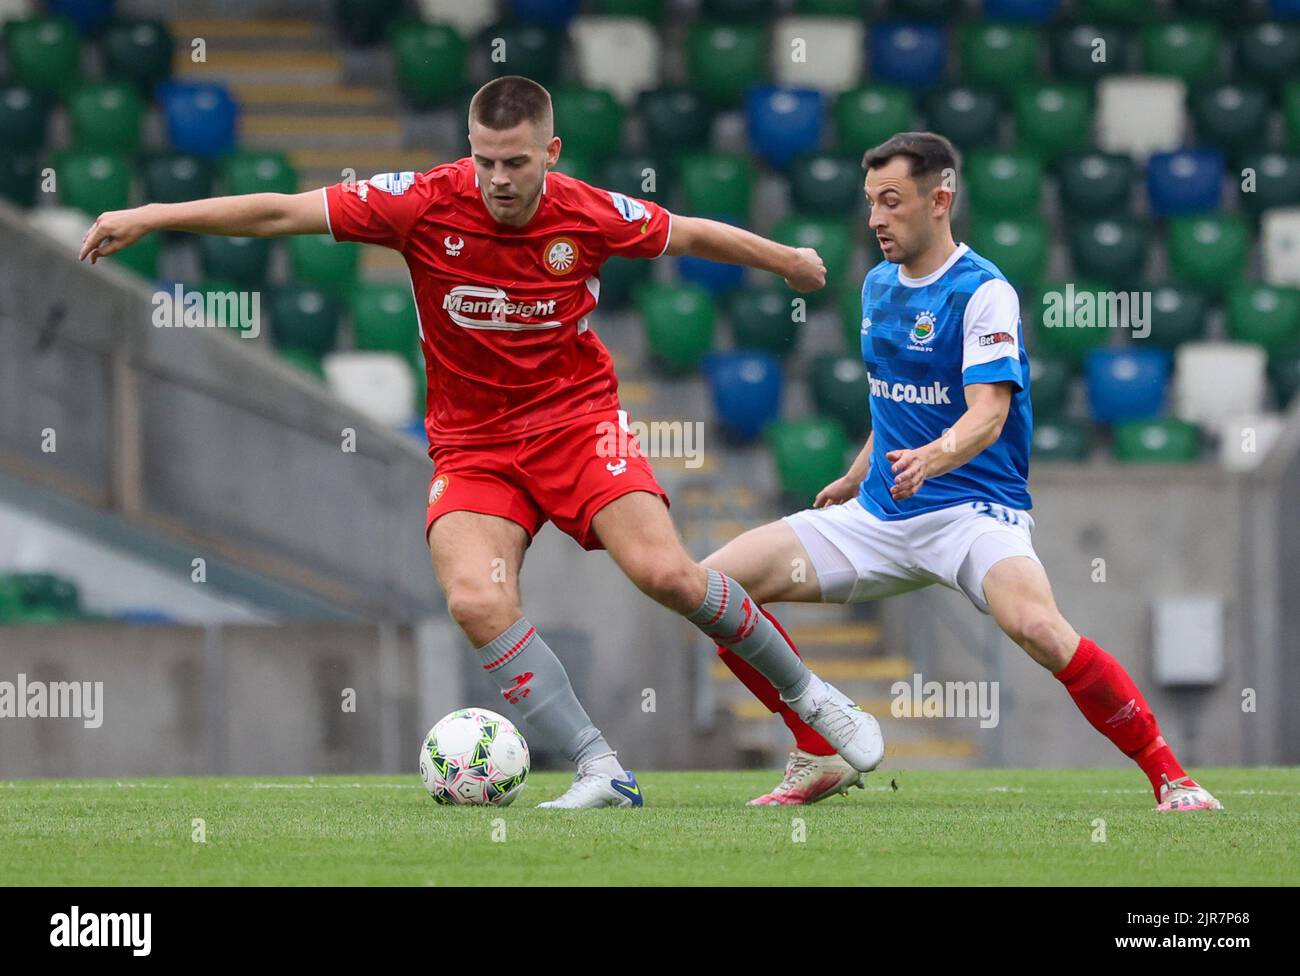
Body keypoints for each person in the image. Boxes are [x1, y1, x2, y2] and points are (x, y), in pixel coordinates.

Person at [79, 76, 885, 808]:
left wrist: (787, 261)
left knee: (668, 574)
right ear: (469, 151)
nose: (499, 180)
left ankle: (816, 704)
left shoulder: (589, 211)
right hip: (474, 447)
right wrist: (152, 215)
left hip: (577, 425)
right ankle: (599, 768)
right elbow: (282, 210)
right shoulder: (422, 202)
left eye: (517, 163)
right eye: (487, 162)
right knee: (475, 600)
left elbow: (693, 235)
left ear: (551, 153)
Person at [706, 131, 1221, 813]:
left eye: (891, 202)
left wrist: (935, 458)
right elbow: (894, 399)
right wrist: (858, 472)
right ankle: (819, 745)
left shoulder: (984, 293)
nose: (875, 220)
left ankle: (1171, 777)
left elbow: (987, 415)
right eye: (870, 204)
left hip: (972, 513)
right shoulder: (878, 285)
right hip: (881, 512)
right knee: (711, 589)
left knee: (1040, 630)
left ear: (940, 199)